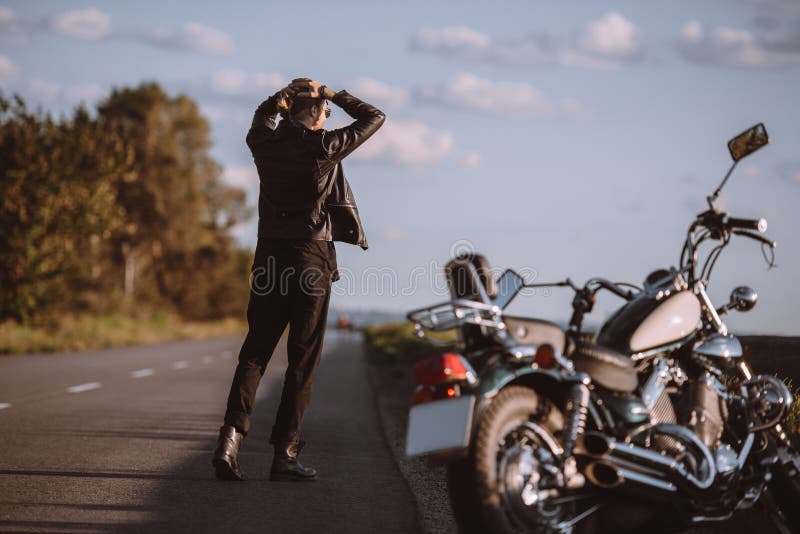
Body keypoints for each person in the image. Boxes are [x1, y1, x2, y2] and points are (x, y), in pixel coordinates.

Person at [212, 78, 385, 482]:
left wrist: (282, 96)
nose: (327, 118)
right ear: (312, 113)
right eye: (325, 112)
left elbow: (261, 118)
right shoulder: (322, 146)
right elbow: (375, 117)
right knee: (301, 363)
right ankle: (284, 455)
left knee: (255, 353)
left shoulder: (265, 145)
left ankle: (230, 440)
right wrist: (332, 92)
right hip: (310, 259)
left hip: (269, 258)